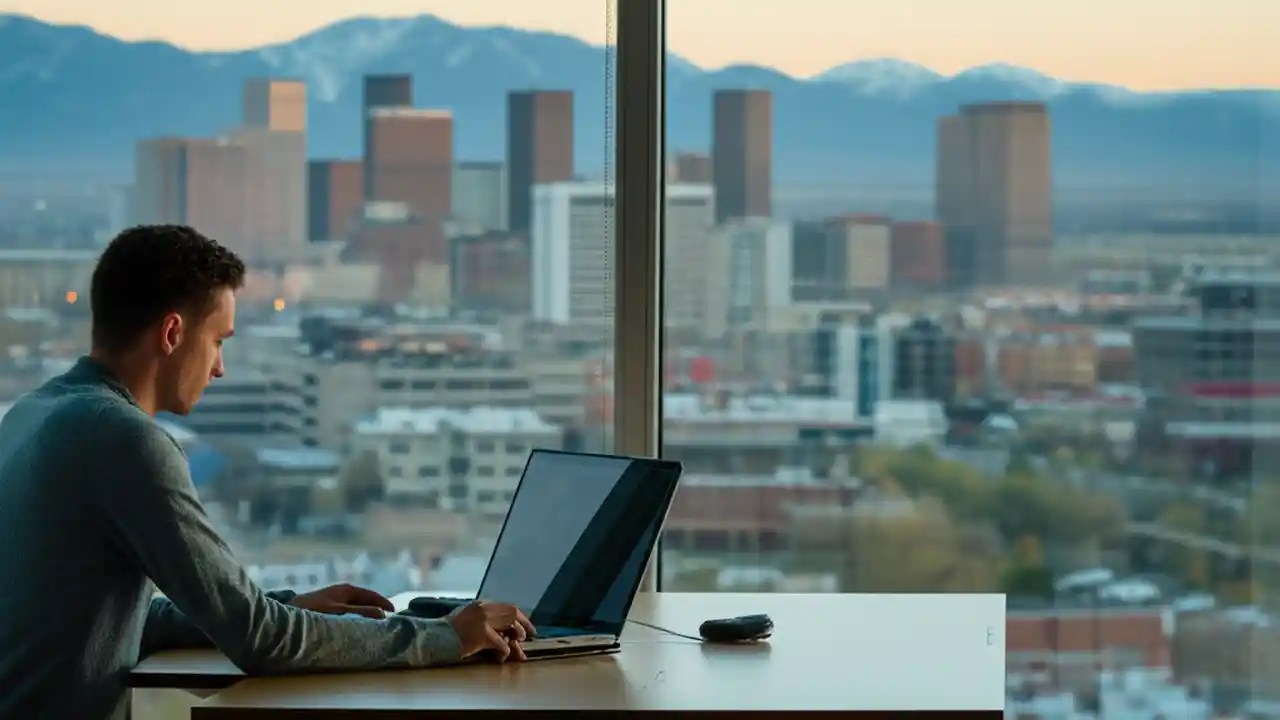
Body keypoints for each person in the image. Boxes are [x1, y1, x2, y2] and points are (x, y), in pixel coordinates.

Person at [0, 225, 535, 719]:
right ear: (172, 333)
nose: (219, 367)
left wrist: (287, 607)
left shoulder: (32, 415)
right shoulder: (123, 441)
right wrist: (447, 637)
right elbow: (259, 640)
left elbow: (117, 620)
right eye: (218, 340)